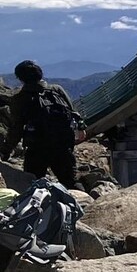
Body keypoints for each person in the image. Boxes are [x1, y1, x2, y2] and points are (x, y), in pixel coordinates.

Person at [8, 61, 83, 189]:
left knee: (32, 186)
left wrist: (5, 151)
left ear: (21, 79)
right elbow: (73, 112)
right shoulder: (56, 90)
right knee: (70, 182)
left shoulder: (20, 99)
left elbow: (16, 129)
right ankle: (84, 200)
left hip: (37, 148)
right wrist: (81, 127)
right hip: (62, 145)